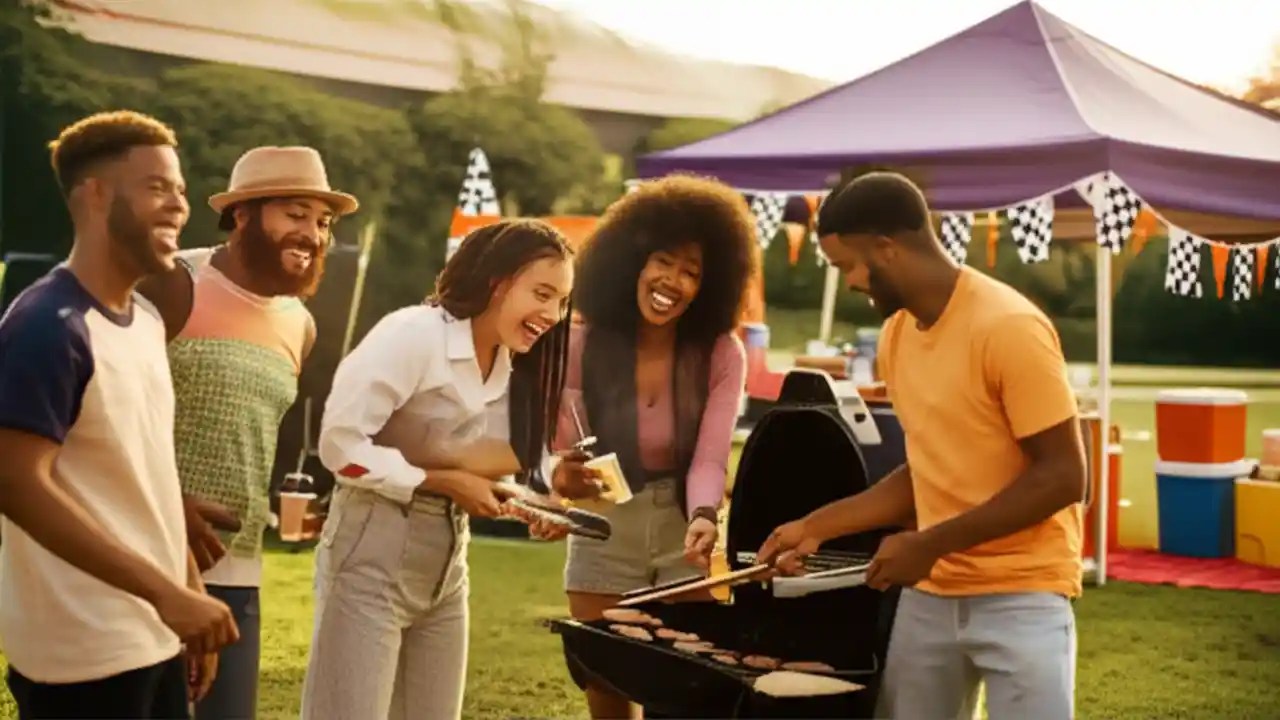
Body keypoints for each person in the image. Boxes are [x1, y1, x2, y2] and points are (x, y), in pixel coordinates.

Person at [757, 171, 1087, 720]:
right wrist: (817, 526)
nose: (849, 282)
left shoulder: (1009, 327)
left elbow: (1065, 476)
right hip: (929, 598)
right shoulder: (897, 335)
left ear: (886, 249)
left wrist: (930, 544)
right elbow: (927, 471)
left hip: (1024, 594)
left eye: (847, 266)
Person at [300, 219, 593, 720]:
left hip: (448, 561)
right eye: (542, 293)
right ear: (498, 282)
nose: (552, 314)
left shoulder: (512, 364)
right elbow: (339, 446)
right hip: (372, 547)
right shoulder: (413, 334)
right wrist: (442, 482)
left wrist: (532, 499)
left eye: (562, 301)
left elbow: (468, 459)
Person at [0, 110, 239, 718]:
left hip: (155, 631)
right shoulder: (46, 327)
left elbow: (150, 479)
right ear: (95, 194)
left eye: (180, 191)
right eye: (158, 187)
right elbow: (16, 484)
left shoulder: (148, 323)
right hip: (84, 651)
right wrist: (168, 595)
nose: (179, 207)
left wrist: (188, 593)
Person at [137, 145, 357, 719]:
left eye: (322, 221)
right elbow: (108, 414)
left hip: (236, 568)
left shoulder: (299, 325)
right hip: (141, 551)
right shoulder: (169, 282)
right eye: (294, 213)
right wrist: (166, 502)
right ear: (242, 215)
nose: (312, 233)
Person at [551, 175, 754, 720]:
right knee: (608, 684)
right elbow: (555, 450)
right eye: (664, 261)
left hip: (684, 531)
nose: (675, 281)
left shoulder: (722, 353)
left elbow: (711, 456)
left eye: (693, 272)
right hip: (604, 526)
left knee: (687, 692)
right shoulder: (577, 340)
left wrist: (707, 515)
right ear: (631, 262)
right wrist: (558, 477)